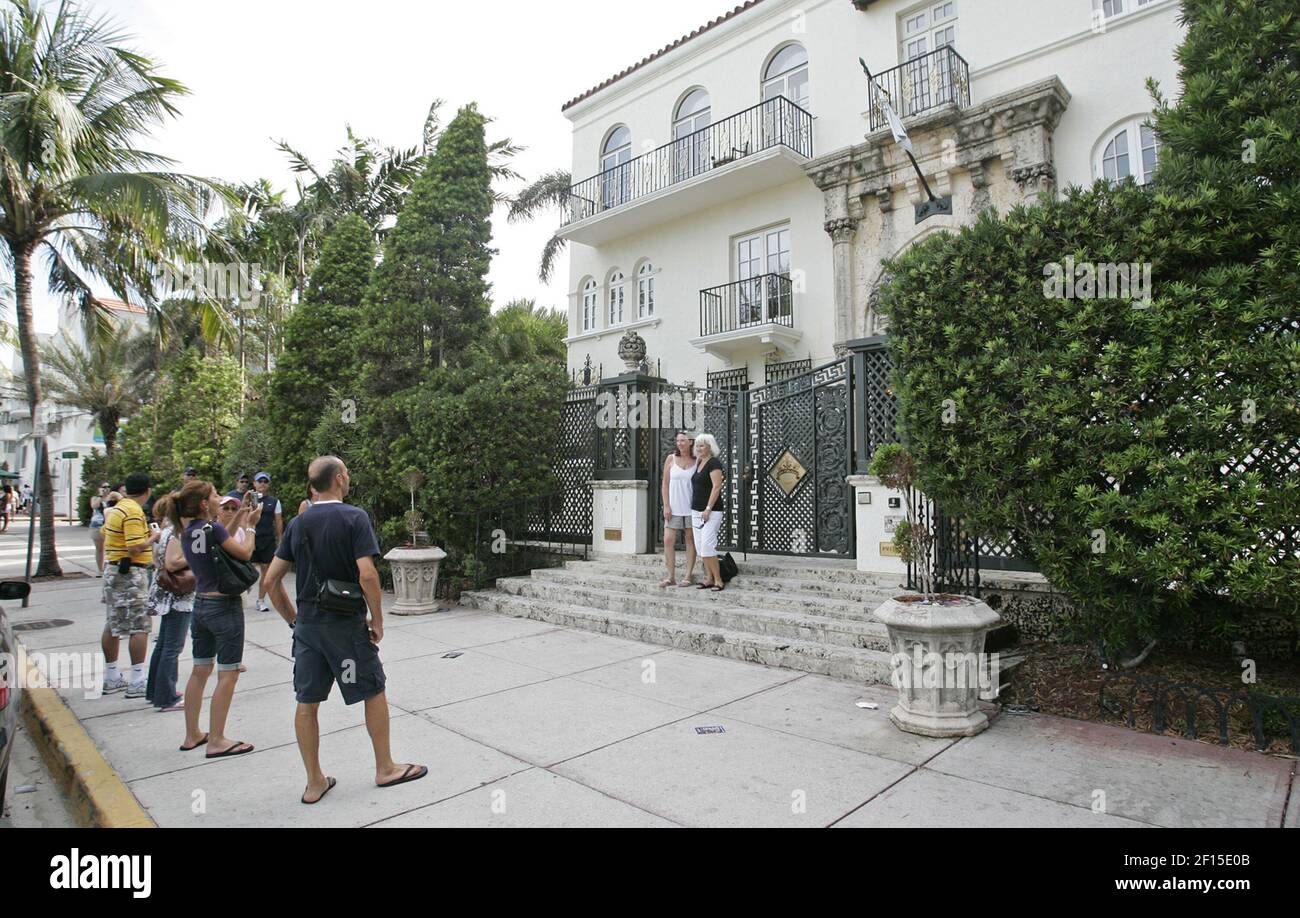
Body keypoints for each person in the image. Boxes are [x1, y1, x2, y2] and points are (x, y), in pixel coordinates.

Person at [263, 455, 427, 805]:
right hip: (345, 624)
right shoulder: (354, 517)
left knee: (307, 702)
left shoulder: (298, 523)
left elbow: (271, 579)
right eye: (347, 474)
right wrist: (378, 620)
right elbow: (367, 574)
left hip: (308, 627)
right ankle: (385, 767)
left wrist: (293, 618)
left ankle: (313, 782)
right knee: (372, 689)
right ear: (338, 478)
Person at [176, 480, 257, 758]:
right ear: (203, 503)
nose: (219, 498)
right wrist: (251, 526)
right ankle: (218, 738)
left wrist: (239, 515)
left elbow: (221, 539)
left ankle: (192, 734)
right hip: (224, 605)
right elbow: (244, 552)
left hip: (200, 604)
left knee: (200, 670)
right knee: (229, 672)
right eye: (214, 495)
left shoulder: (189, 531)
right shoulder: (213, 529)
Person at [99, 473, 154, 696]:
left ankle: (112, 675)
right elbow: (134, 546)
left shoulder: (118, 508)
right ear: (147, 490)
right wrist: (154, 537)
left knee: (112, 622)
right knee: (139, 625)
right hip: (129, 572)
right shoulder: (132, 511)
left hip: (113, 570)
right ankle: (137, 679)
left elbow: (106, 533)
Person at [144, 494, 194, 712]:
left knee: (164, 643)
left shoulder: (167, 530)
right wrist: (196, 555)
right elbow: (173, 563)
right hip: (177, 596)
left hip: (169, 595)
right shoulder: (176, 532)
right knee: (172, 646)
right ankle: (166, 696)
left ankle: (156, 689)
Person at [660, 432, 698, 587]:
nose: (680, 443)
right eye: (678, 440)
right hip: (673, 508)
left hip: (691, 508)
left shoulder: (697, 461)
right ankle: (671, 576)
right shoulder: (670, 459)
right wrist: (666, 505)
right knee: (668, 541)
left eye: (683, 440)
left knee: (690, 541)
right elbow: (665, 485)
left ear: (690, 442)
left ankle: (688, 576)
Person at [691, 433, 727, 592]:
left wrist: (707, 509)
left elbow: (716, 487)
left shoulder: (714, 463)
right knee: (700, 547)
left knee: (707, 545)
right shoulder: (699, 461)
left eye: (702, 445)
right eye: (697, 445)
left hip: (711, 512)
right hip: (696, 511)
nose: (699, 448)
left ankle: (719, 580)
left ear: (710, 447)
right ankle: (708, 578)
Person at [249, 472, 282, 613]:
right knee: (245, 569)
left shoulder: (274, 501)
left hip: (267, 539)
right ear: (254, 484)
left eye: (265, 481)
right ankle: (241, 592)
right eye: (259, 481)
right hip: (250, 537)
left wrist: (280, 540)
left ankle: (261, 600)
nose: (262, 483)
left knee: (266, 571)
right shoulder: (247, 500)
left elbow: (278, 521)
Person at [88, 481, 110, 572]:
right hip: (97, 525)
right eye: (104, 487)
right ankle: (100, 570)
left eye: (108, 486)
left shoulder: (112, 498)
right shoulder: (95, 498)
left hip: (109, 525)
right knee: (99, 548)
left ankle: (108, 568)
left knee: (109, 547)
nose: (106, 489)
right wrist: (101, 496)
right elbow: (94, 506)